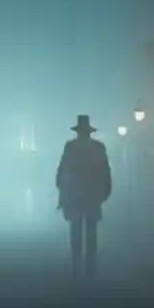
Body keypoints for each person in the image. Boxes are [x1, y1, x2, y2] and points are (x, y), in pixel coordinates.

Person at [55, 115, 112, 278]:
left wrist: (62, 192)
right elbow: (105, 171)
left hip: (75, 194)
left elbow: (62, 170)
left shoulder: (71, 147)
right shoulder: (98, 147)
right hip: (92, 194)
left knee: (76, 230)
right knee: (91, 231)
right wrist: (105, 191)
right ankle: (90, 266)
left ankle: (77, 263)